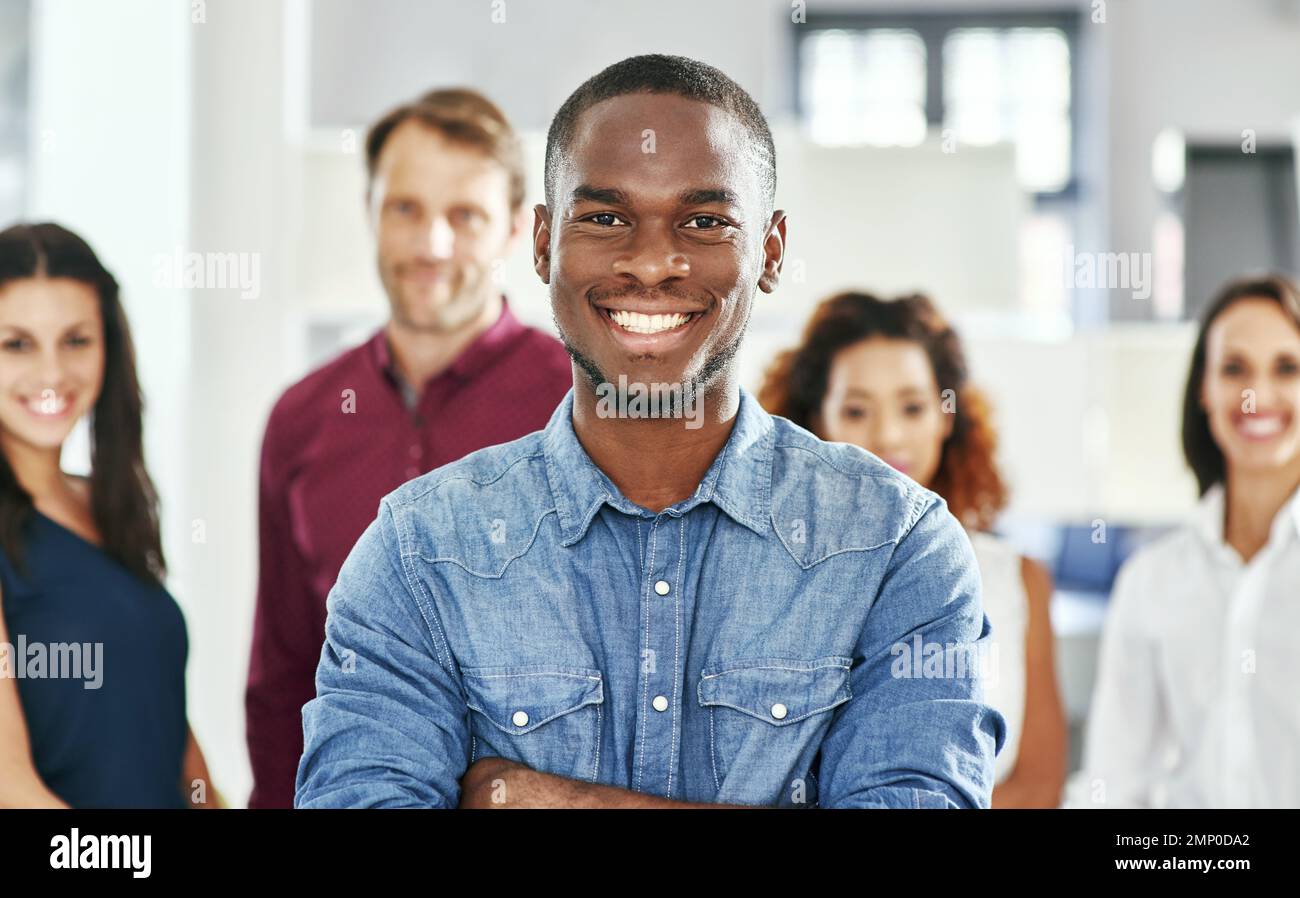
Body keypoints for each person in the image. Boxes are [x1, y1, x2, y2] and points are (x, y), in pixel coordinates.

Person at [296, 54, 1004, 809]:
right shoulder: (417, 554)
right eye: (605, 218)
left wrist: (557, 800)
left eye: (704, 222)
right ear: (542, 244)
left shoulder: (898, 547)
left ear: (769, 251)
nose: (652, 263)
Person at [244, 88, 573, 808]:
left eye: (465, 216)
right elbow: (283, 674)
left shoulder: (579, 409)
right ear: (370, 212)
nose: (432, 244)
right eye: (406, 209)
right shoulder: (302, 418)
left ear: (519, 230)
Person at [757, 290, 1068, 807]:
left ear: (946, 416)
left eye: (912, 406)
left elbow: (1039, 785)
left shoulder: (1018, 580)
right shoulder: (768, 578)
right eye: (857, 410)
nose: (888, 435)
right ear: (817, 422)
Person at [0, 222, 216, 808]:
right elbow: (8, 786)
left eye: (76, 340)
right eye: (16, 344)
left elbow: (163, 722)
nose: (51, 373)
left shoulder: (110, 503)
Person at [1080, 273, 1300, 808]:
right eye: (1234, 369)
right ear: (1203, 389)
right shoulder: (1150, 582)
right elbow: (1112, 783)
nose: (1257, 395)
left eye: (1287, 368)